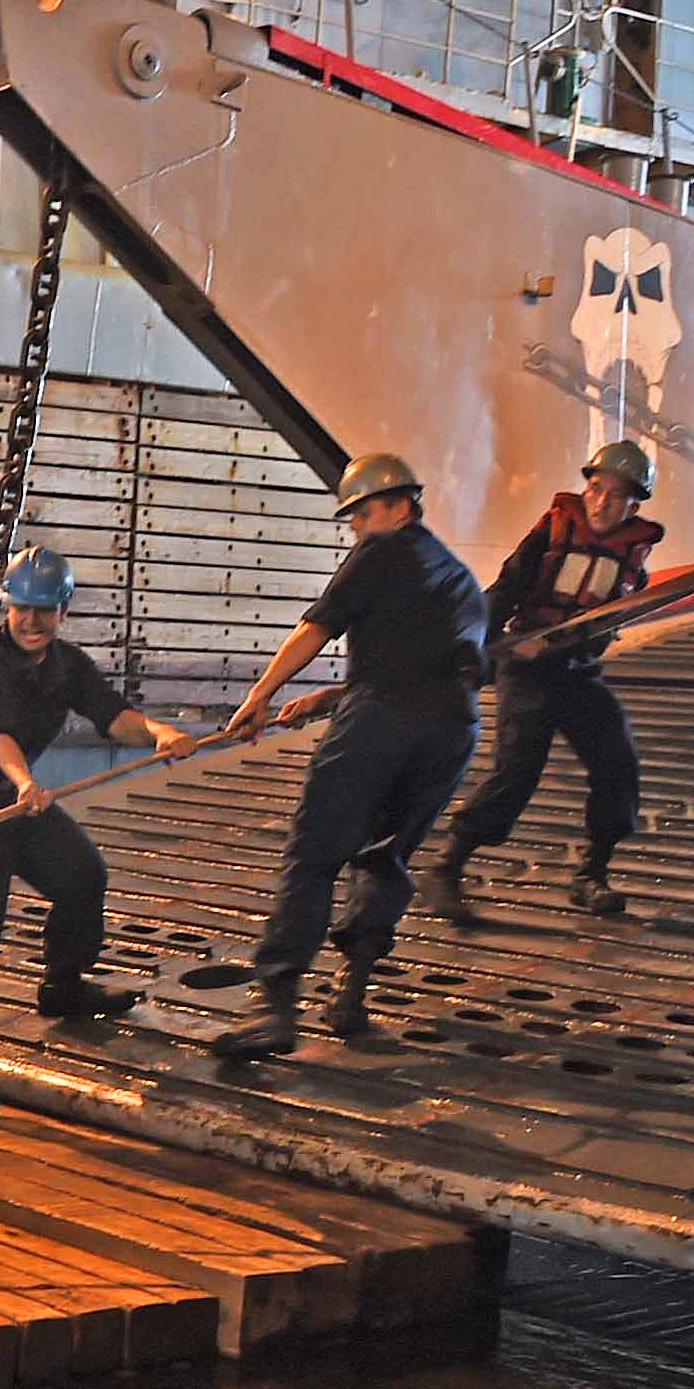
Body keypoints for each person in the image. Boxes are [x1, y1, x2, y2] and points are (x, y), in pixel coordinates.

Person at [0, 543, 199, 1120]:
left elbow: (112, 713)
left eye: (45, 610)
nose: (32, 621)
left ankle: (62, 985)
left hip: (18, 801)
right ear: (6, 608)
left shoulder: (66, 664)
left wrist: (160, 731)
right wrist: (21, 782)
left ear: (63, 610)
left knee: (82, 875)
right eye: (21, 609)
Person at [214, 455, 488, 1060]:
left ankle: (274, 1004)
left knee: (313, 856)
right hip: (451, 734)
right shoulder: (460, 576)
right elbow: (429, 669)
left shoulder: (381, 552)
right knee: (383, 856)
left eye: (364, 513)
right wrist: (327, 698)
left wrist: (260, 696)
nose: (358, 528)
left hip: (380, 724)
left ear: (400, 507)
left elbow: (319, 627)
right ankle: (350, 997)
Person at [423, 439, 663, 925]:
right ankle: (447, 867)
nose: (600, 502)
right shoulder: (552, 532)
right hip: (525, 668)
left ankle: (591, 875)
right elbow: (505, 588)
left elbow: (600, 634)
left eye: (615, 496)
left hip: (574, 671)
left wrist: (563, 646)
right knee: (516, 774)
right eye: (595, 489)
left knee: (618, 764)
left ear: (634, 504)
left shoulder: (630, 561)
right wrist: (487, 650)